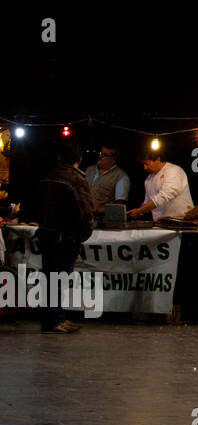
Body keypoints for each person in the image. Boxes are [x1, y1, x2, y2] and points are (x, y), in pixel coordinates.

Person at [31, 142, 95, 333]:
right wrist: (83, 234)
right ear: (79, 160)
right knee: (59, 279)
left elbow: (35, 206)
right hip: (66, 237)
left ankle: (51, 319)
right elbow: (86, 212)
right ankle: (56, 320)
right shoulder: (76, 180)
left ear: (59, 158)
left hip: (46, 235)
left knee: (49, 278)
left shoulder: (47, 176)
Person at [129, 150, 194, 221]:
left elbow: (164, 196)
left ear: (158, 159)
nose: (145, 168)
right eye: (143, 165)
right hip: (160, 224)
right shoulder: (148, 179)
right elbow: (147, 202)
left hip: (182, 222)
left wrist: (140, 210)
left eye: (147, 164)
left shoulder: (174, 170)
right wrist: (139, 212)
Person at [84, 144, 130, 214]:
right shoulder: (89, 170)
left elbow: (119, 206)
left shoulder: (121, 176)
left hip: (103, 219)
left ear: (113, 159)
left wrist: (99, 210)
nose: (100, 156)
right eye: (100, 153)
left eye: (104, 155)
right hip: (84, 215)